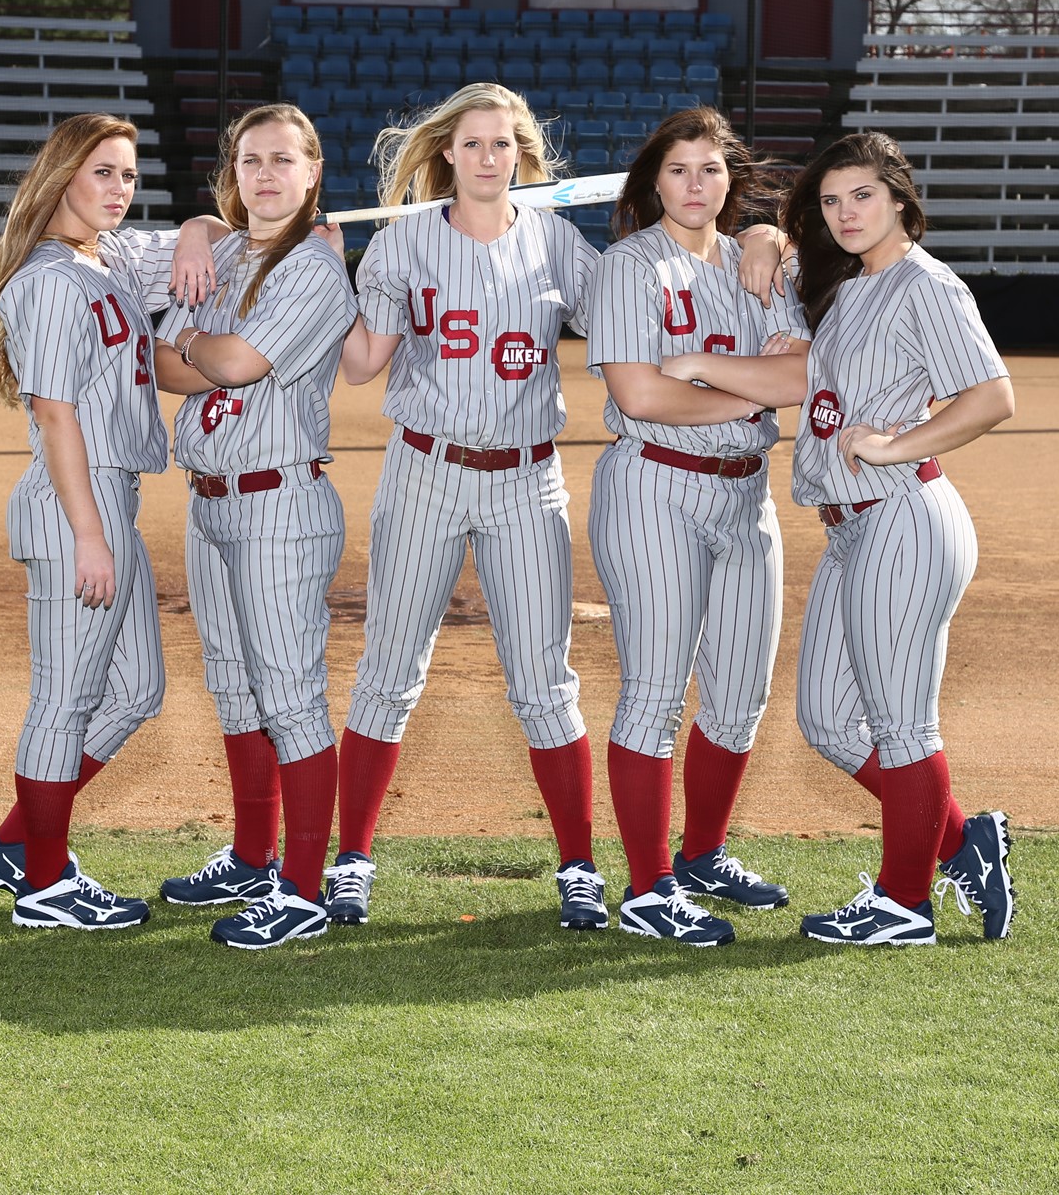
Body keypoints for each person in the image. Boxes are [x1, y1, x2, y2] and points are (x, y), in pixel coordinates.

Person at [329, 82, 606, 929]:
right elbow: (362, 364)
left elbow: (624, 317)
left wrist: (751, 242)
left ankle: (579, 865)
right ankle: (351, 860)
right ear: (446, 152)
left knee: (545, 683)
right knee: (388, 672)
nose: (490, 158)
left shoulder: (557, 240)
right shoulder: (405, 244)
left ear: (522, 156)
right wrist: (315, 262)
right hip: (426, 471)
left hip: (528, 477)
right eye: (475, 143)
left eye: (504, 145)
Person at [0, 111, 216, 930]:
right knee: (64, 700)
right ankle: (43, 884)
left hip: (114, 500)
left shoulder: (106, 256)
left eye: (130, 175)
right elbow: (55, 413)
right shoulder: (46, 279)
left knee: (138, 688)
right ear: (63, 175)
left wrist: (192, 234)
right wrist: (87, 534)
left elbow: (209, 227)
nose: (120, 188)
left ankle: (11, 844)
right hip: (76, 503)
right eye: (103, 172)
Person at [581, 107, 812, 947]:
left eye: (710, 170)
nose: (694, 185)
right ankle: (648, 889)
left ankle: (704, 854)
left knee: (742, 693)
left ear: (730, 182)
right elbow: (640, 395)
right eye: (678, 170)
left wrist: (767, 243)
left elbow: (803, 373)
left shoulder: (760, 266)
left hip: (746, 494)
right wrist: (755, 388)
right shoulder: (627, 267)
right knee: (653, 692)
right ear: (652, 184)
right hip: (654, 487)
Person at [780, 131, 1018, 946]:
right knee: (828, 722)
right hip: (853, 530)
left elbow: (991, 396)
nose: (845, 213)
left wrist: (897, 443)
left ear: (900, 200)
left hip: (904, 519)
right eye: (831, 201)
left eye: (863, 196)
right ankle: (961, 842)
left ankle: (903, 902)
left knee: (902, 726)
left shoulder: (925, 284)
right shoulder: (854, 289)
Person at [152, 102, 358, 950]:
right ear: (231, 175)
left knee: (289, 695)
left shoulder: (313, 268)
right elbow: (163, 367)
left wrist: (201, 338)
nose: (266, 174)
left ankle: (303, 888)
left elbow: (228, 362)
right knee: (234, 688)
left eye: (283, 159)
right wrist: (202, 238)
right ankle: (251, 855)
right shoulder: (226, 250)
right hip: (211, 497)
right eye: (250, 161)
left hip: (280, 500)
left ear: (313, 174)